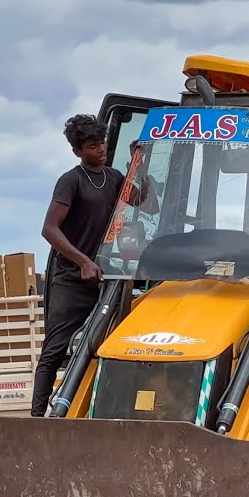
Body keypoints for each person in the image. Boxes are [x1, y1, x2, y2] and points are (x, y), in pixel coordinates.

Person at [32, 116, 154, 417]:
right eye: (92, 145)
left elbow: (148, 205)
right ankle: (36, 419)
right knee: (55, 350)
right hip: (70, 278)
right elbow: (49, 229)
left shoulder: (113, 178)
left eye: (102, 142)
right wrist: (82, 261)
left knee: (105, 345)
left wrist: (141, 167)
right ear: (78, 151)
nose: (100, 149)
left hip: (102, 278)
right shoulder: (71, 181)